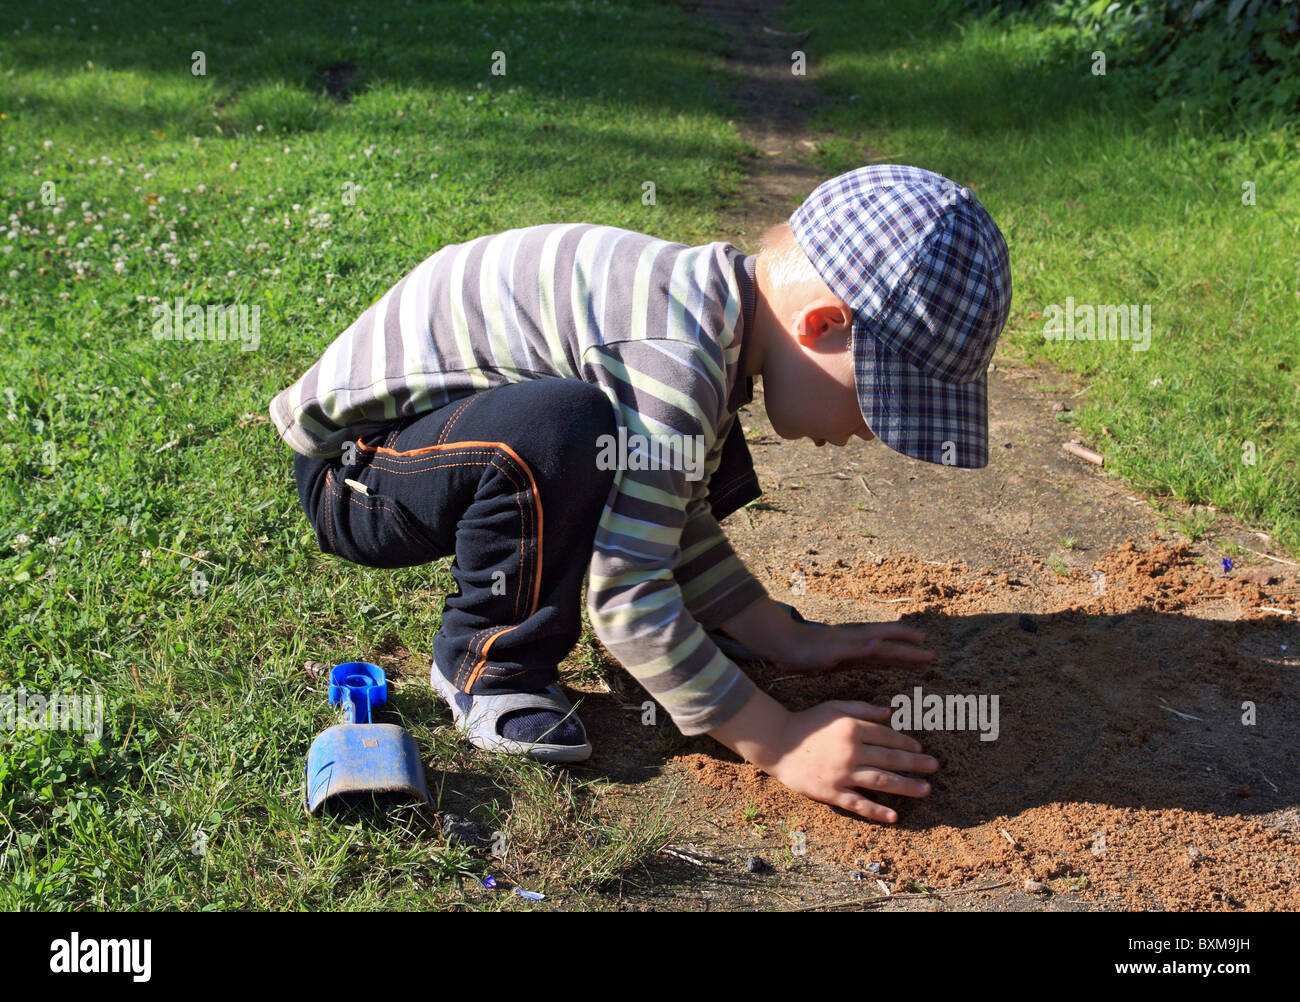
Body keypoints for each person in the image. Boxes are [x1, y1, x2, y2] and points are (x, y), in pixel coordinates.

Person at [270, 164, 1011, 823]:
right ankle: (486, 663)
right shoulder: (678, 356)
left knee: (655, 455)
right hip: (357, 472)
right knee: (567, 427)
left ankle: (629, 632)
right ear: (823, 324)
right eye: (880, 404)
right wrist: (779, 738)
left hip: (430, 446)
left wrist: (782, 637)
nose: (869, 434)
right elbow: (627, 595)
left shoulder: (712, 319)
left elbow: (672, 512)